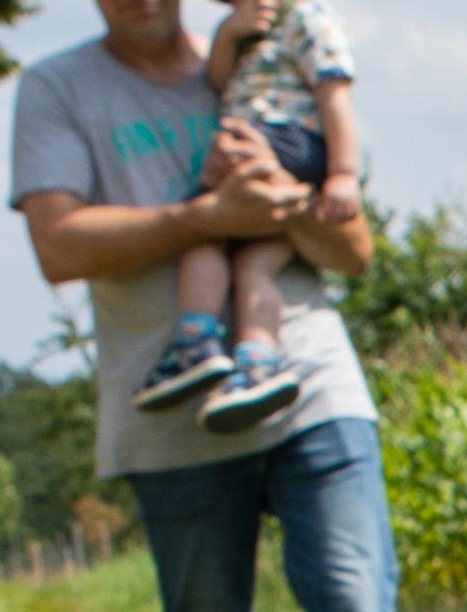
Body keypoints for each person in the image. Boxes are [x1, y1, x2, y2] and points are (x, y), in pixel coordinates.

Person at [13, 0, 444, 612]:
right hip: (173, 405)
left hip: (311, 382)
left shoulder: (261, 51)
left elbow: (353, 248)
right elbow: (60, 245)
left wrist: (283, 206)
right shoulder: (57, 88)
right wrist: (211, 215)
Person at [130, 0, 371, 433]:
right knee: (253, 264)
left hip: (284, 139)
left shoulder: (309, 17)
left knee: (204, 229)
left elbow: (335, 95)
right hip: (263, 138)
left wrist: (343, 175)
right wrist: (229, 33)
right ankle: (258, 360)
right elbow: (218, 82)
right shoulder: (247, 29)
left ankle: (195, 340)